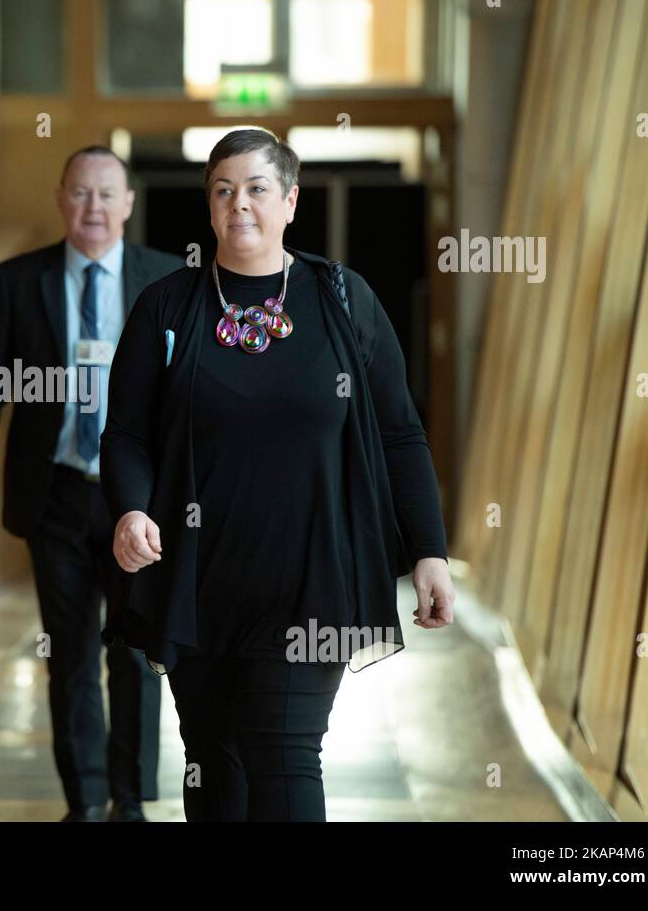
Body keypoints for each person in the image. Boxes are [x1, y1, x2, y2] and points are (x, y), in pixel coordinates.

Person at [100, 128, 456, 821]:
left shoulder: (342, 301)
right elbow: (127, 435)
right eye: (224, 191)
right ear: (208, 206)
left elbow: (400, 434)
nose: (240, 205)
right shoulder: (167, 307)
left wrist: (429, 550)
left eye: (258, 189)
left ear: (290, 201)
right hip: (198, 580)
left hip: (310, 580)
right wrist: (131, 509)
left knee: (286, 756)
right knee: (212, 763)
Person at [0, 146, 184, 821]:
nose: (93, 207)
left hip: (139, 500)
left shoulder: (166, 279)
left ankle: (130, 799)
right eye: (80, 194)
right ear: (61, 199)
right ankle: (86, 801)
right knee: (72, 656)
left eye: (106, 194)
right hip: (55, 492)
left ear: (128, 204)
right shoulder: (19, 280)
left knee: (136, 652)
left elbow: (191, 395)